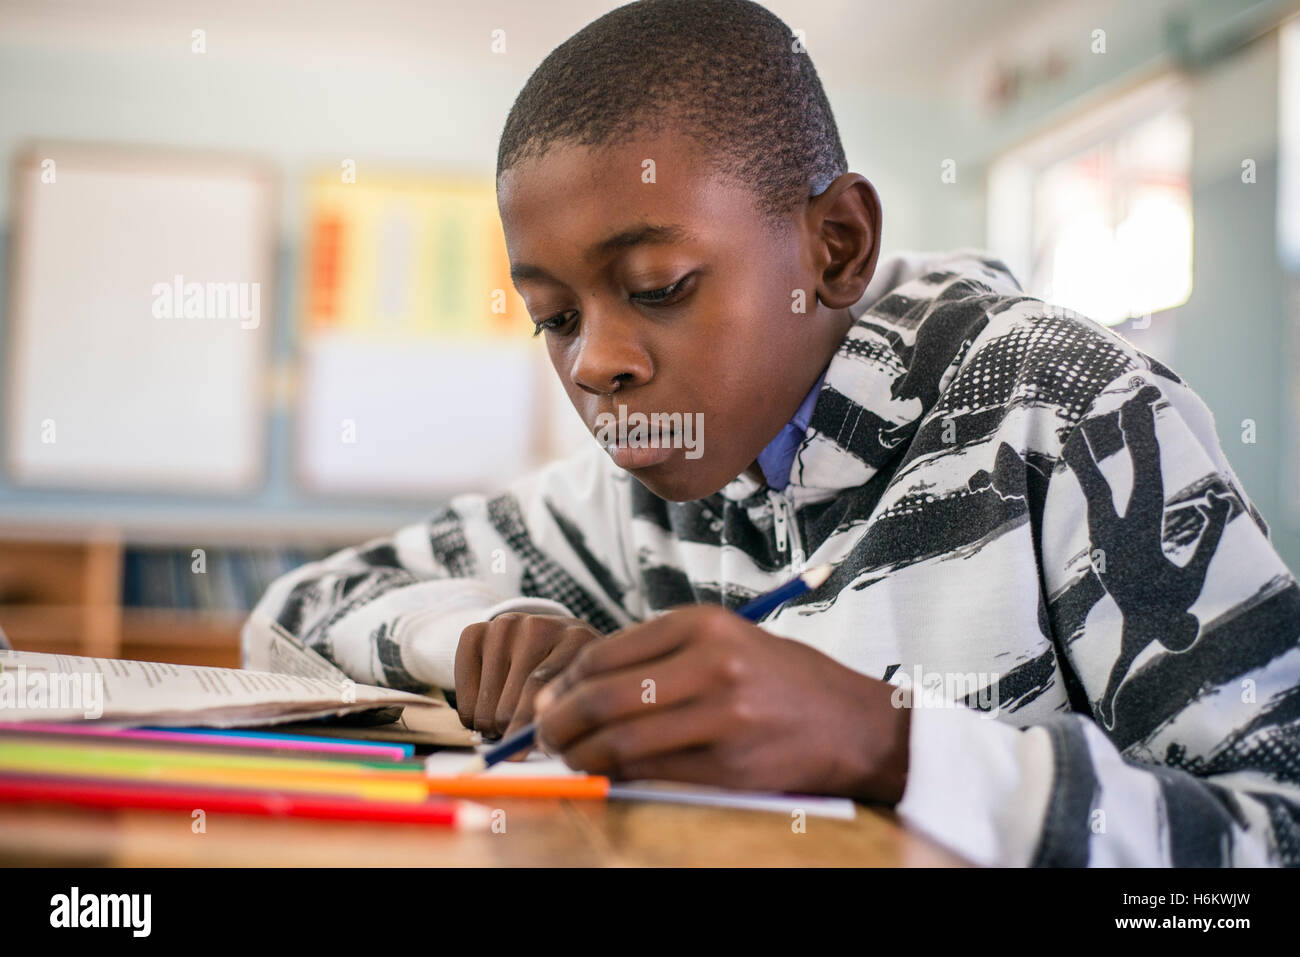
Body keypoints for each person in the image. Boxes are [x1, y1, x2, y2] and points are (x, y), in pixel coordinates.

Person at [243, 0, 1300, 867]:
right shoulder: (641, 486)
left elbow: (1276, 832)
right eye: (554, 316)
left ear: (834, 245)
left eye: (657, 286)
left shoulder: (1070, 413)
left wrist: (889, 748)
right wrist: (481, 628)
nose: (590, 362)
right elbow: (293, 614)